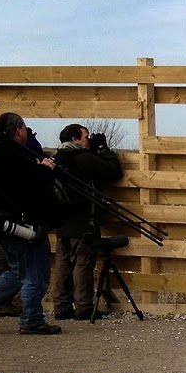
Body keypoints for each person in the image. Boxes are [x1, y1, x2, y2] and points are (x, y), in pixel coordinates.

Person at [0, 113, 63, 335]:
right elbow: (26, 184)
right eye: (24, 128)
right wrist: (45, 169)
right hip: (21, 221)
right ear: (18, 129)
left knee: (19, 270)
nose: (26, 132)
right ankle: (32, 319)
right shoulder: (13, 154)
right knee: (35, 270)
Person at [50, 125, 125, 321]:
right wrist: (102, 149)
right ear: (76, 138)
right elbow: (113, 171)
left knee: (63, 264)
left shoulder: (59, 159)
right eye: (86, 137)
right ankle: (83, 307)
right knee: (82, 263)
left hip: (62, 221)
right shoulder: (81, 158)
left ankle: (61, 306)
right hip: (82, 221)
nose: (88, 140)